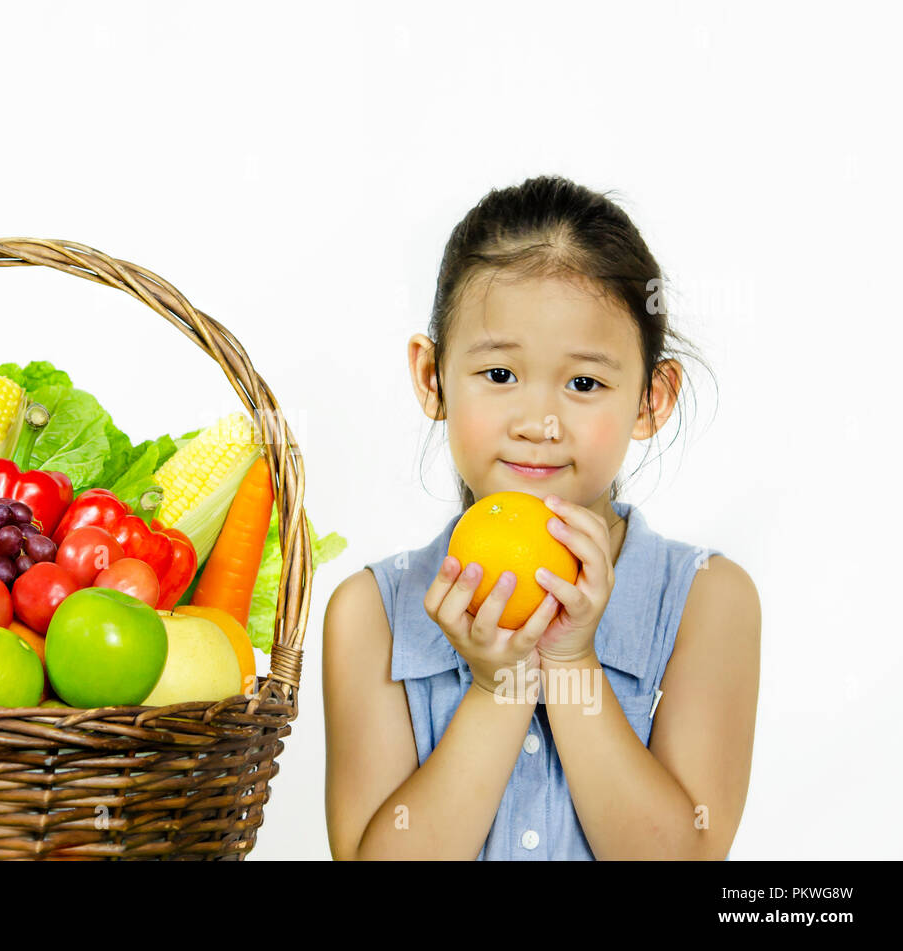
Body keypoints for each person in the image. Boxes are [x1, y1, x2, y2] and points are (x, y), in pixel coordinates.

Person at [323, 176, 760, 860]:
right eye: (499, 374)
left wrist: (570, 661)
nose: (539, 423)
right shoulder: (371, 614)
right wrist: (501, 688)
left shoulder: (708, 599)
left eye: (584, 383)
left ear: (651, 398)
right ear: (432, 376)